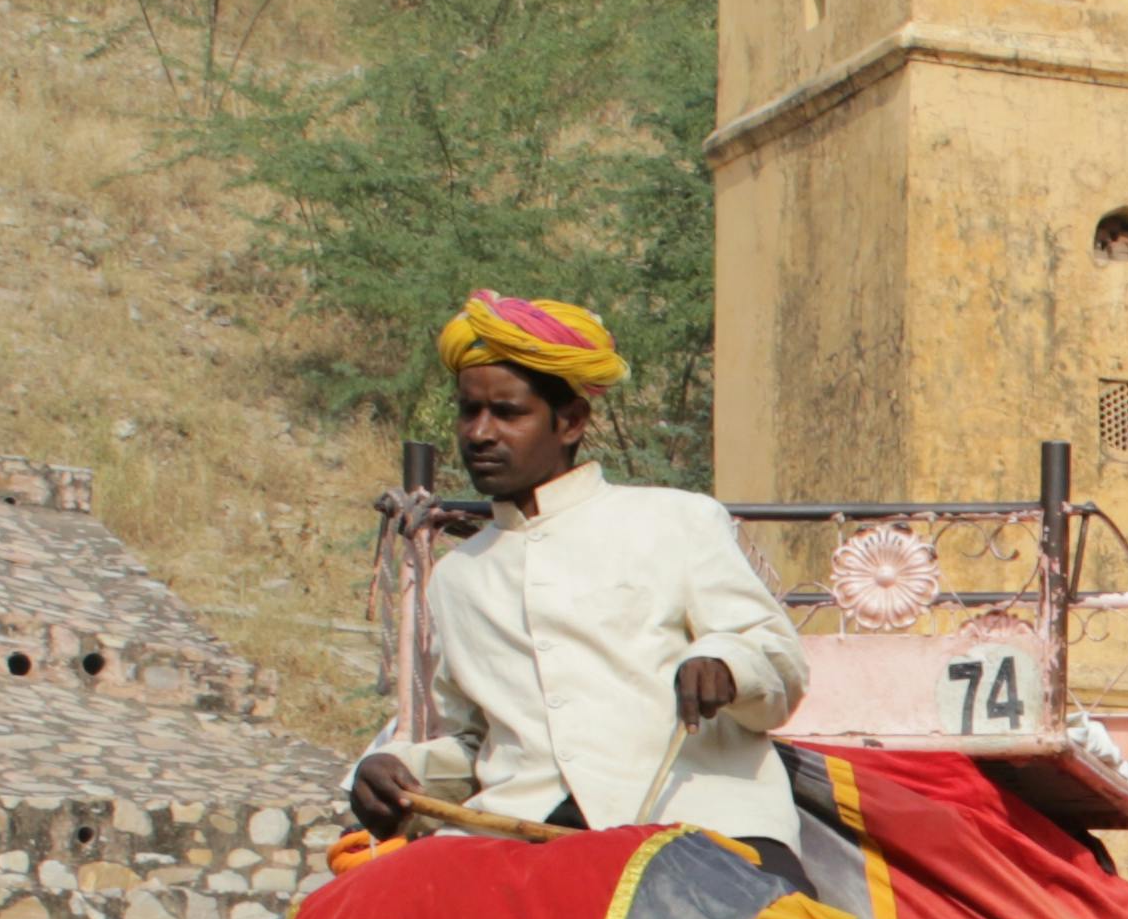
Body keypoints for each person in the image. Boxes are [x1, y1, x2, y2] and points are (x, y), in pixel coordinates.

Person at [346, 292, 811, 863]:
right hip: (523, 832)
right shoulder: (457, 578)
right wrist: (399, 773)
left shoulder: (676, 520)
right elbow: (476, 746)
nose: (480, 433)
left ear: (569, 422)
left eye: (508, 413)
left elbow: (778, 670)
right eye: (469, 411)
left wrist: (727, 665)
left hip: (697, 824)